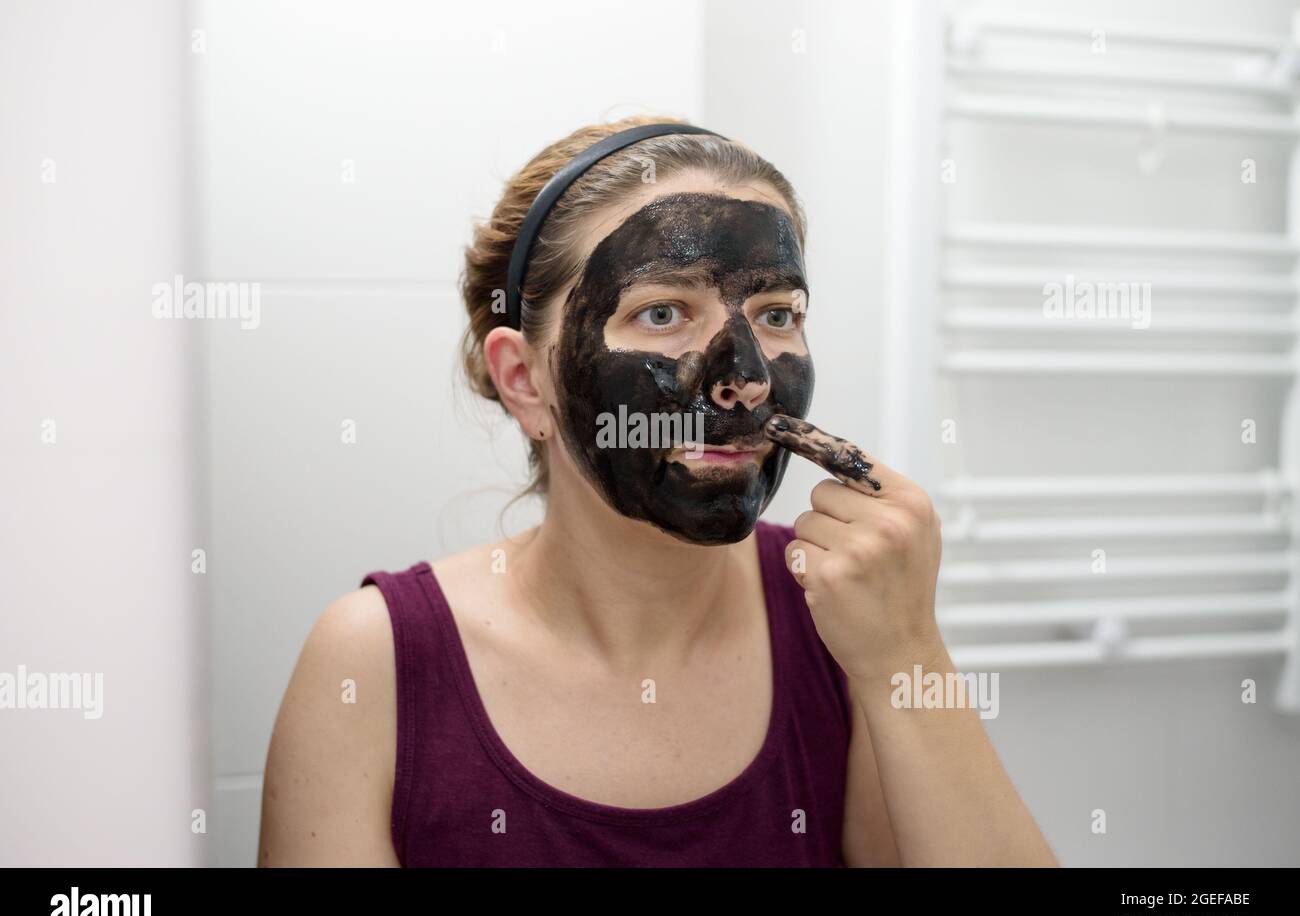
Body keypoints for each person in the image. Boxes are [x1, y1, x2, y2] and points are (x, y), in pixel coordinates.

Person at [258, 116, 1058, 867]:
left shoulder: (845, 620)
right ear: (523, 380)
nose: (744, 378)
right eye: (664, 311)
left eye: (777, 313)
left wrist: (907, 654)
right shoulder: (377, 660)